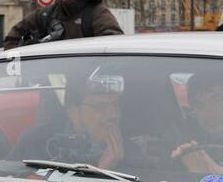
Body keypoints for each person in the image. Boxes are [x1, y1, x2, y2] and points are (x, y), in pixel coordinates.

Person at [14, 71, 143, 168]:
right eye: (99, 107)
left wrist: (110, 168)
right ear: (72, 112)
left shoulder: (131, 154)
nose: (113, 114)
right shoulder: (36, 143)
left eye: (115, 105)